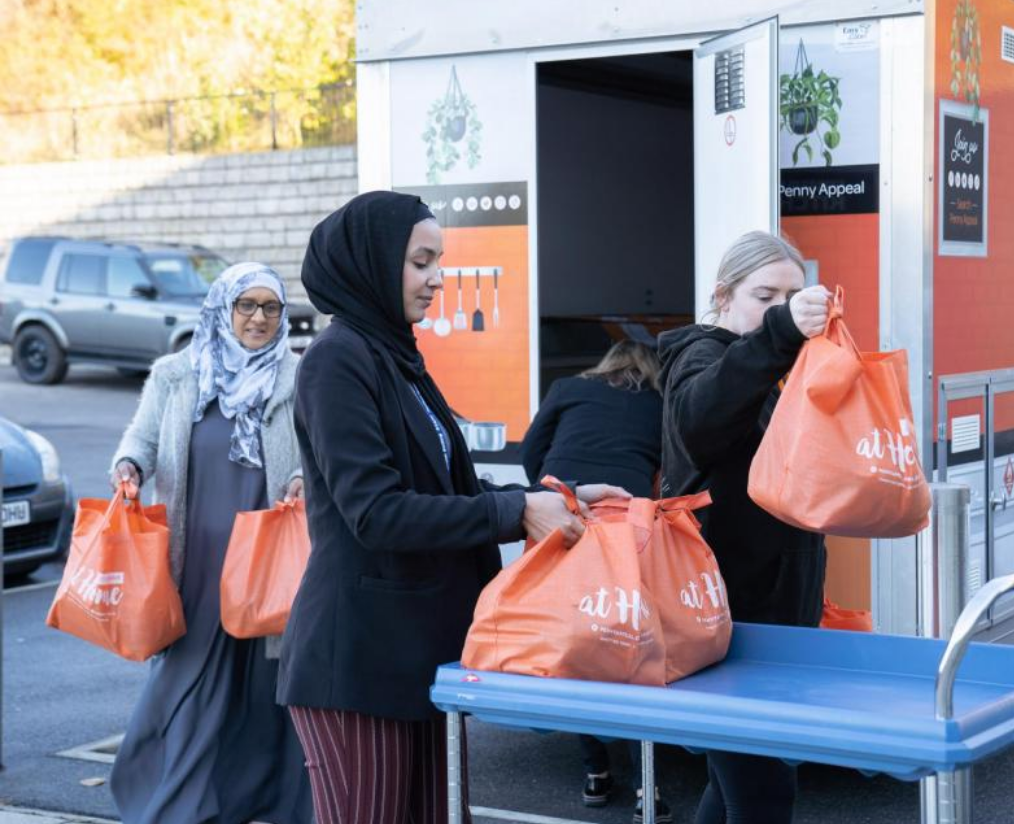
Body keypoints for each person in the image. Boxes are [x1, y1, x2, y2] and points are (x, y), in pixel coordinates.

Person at [277, 190, 626, 824]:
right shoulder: (336, 361)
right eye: (421, 262)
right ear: (371, 263)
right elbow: (376, 513)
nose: (438, 278)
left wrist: (553, 499)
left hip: (419, 651)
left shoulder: (397, 358)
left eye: (438, 260)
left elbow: (447, 489)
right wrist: (515, 514)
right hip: (358, 662)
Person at [108, 262, 312, 824]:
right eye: (246, 305)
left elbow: (319, 451)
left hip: (269, 556)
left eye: (271, 307)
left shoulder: (297, 377)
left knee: (264, 680)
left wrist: (304, 478)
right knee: (189, 676)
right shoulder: (177, 373)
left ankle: (261, 797)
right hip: (195, 556)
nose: (259, 318)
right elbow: (143, 437)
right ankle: (178, 803)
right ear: (223, 308)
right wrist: (128, 465)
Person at [658, 230, 830, 824]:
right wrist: (782, 332)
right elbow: (702, 418)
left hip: (771, 615)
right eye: (765, 296)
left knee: (737, 786)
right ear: (722, 296)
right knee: (763, 794)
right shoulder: (700, 356)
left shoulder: (771, 371)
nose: (780, 309)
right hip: (729, 617)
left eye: (791, 297)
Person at [521, 340, 671, 824]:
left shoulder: (568, 389)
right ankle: (647, 785)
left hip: (562, 522)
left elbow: (532, 453)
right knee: (633, 648)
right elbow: (668, 471)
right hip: (625, 528)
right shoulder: (660, 403)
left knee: (576, 645)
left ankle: (595, 771)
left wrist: (557, 497)